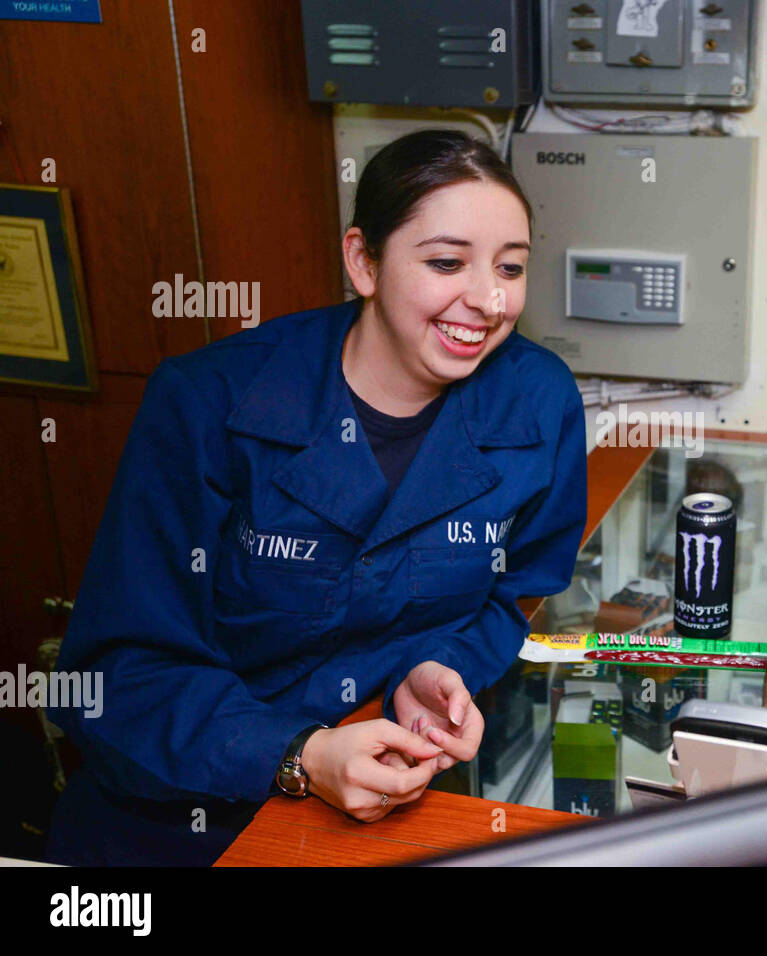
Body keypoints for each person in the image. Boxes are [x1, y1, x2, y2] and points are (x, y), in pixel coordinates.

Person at [45, 130, 587, 865]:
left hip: (388, 808)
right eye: (446, 262)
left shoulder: (538, 397)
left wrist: (436, 668)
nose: (489, 300)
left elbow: (515, 593)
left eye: (511, 268)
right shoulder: (209, 402)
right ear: (363, 260)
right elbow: (115, 677)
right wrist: (299, 754)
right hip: (184, 818)